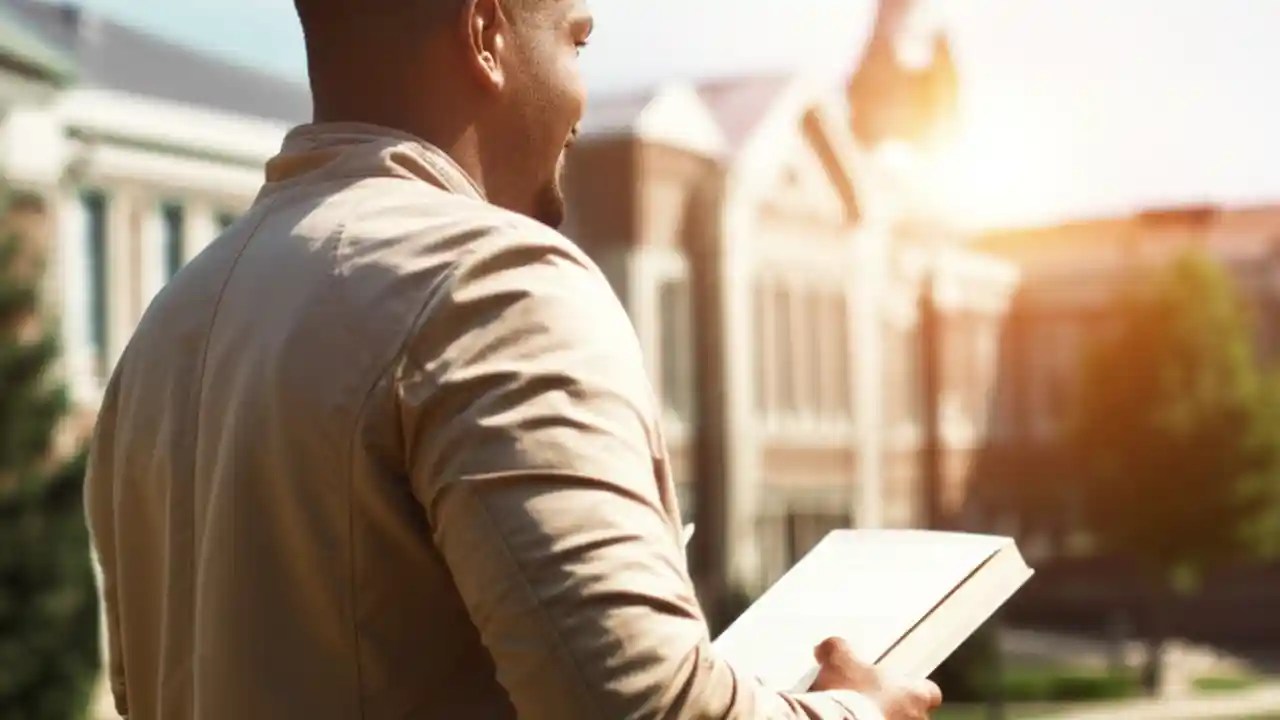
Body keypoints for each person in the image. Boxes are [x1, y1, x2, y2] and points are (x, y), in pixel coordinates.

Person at [84, 0, 943, 718]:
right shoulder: (494, 283)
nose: (581, 97)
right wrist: (860, 711)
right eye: (576, 39)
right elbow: (641, 709)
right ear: (486, 34)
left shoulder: (169, 327)